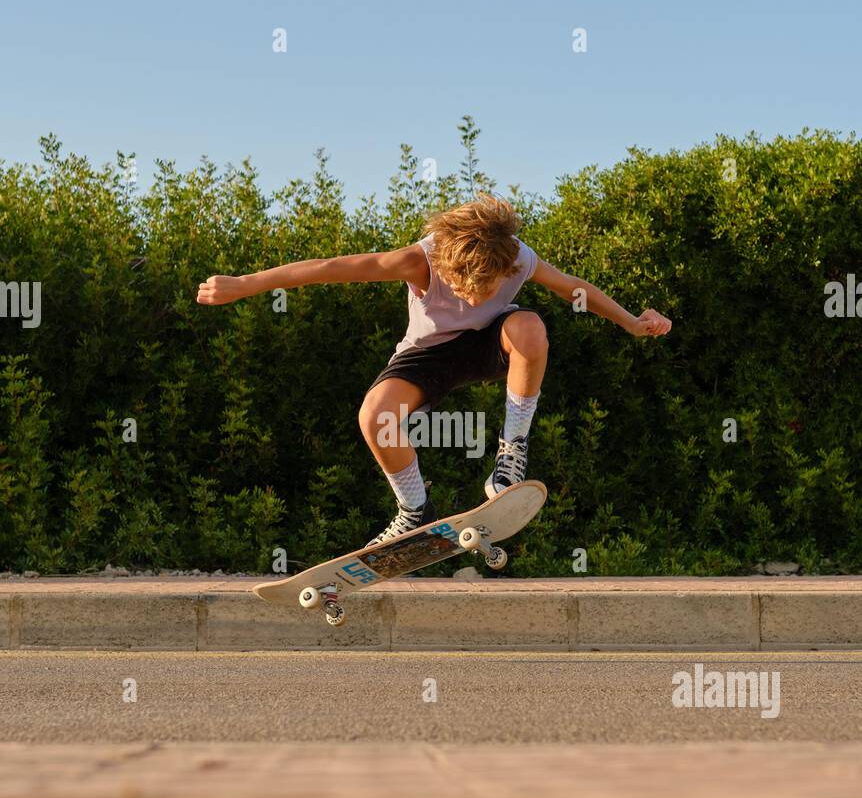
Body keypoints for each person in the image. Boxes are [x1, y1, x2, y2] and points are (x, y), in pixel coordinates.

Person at [197, 194, 672, 543]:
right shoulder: (417, 261)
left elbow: (573, 288)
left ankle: (513, 448)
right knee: (375, 418)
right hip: (427, 352)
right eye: (469, 285)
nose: (476, 295)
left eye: (488, 286)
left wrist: (632, 322)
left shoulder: (517, 257)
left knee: (530, 327)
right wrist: (244, 283)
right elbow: (328, 267)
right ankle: (414, 509)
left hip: (491, 341)